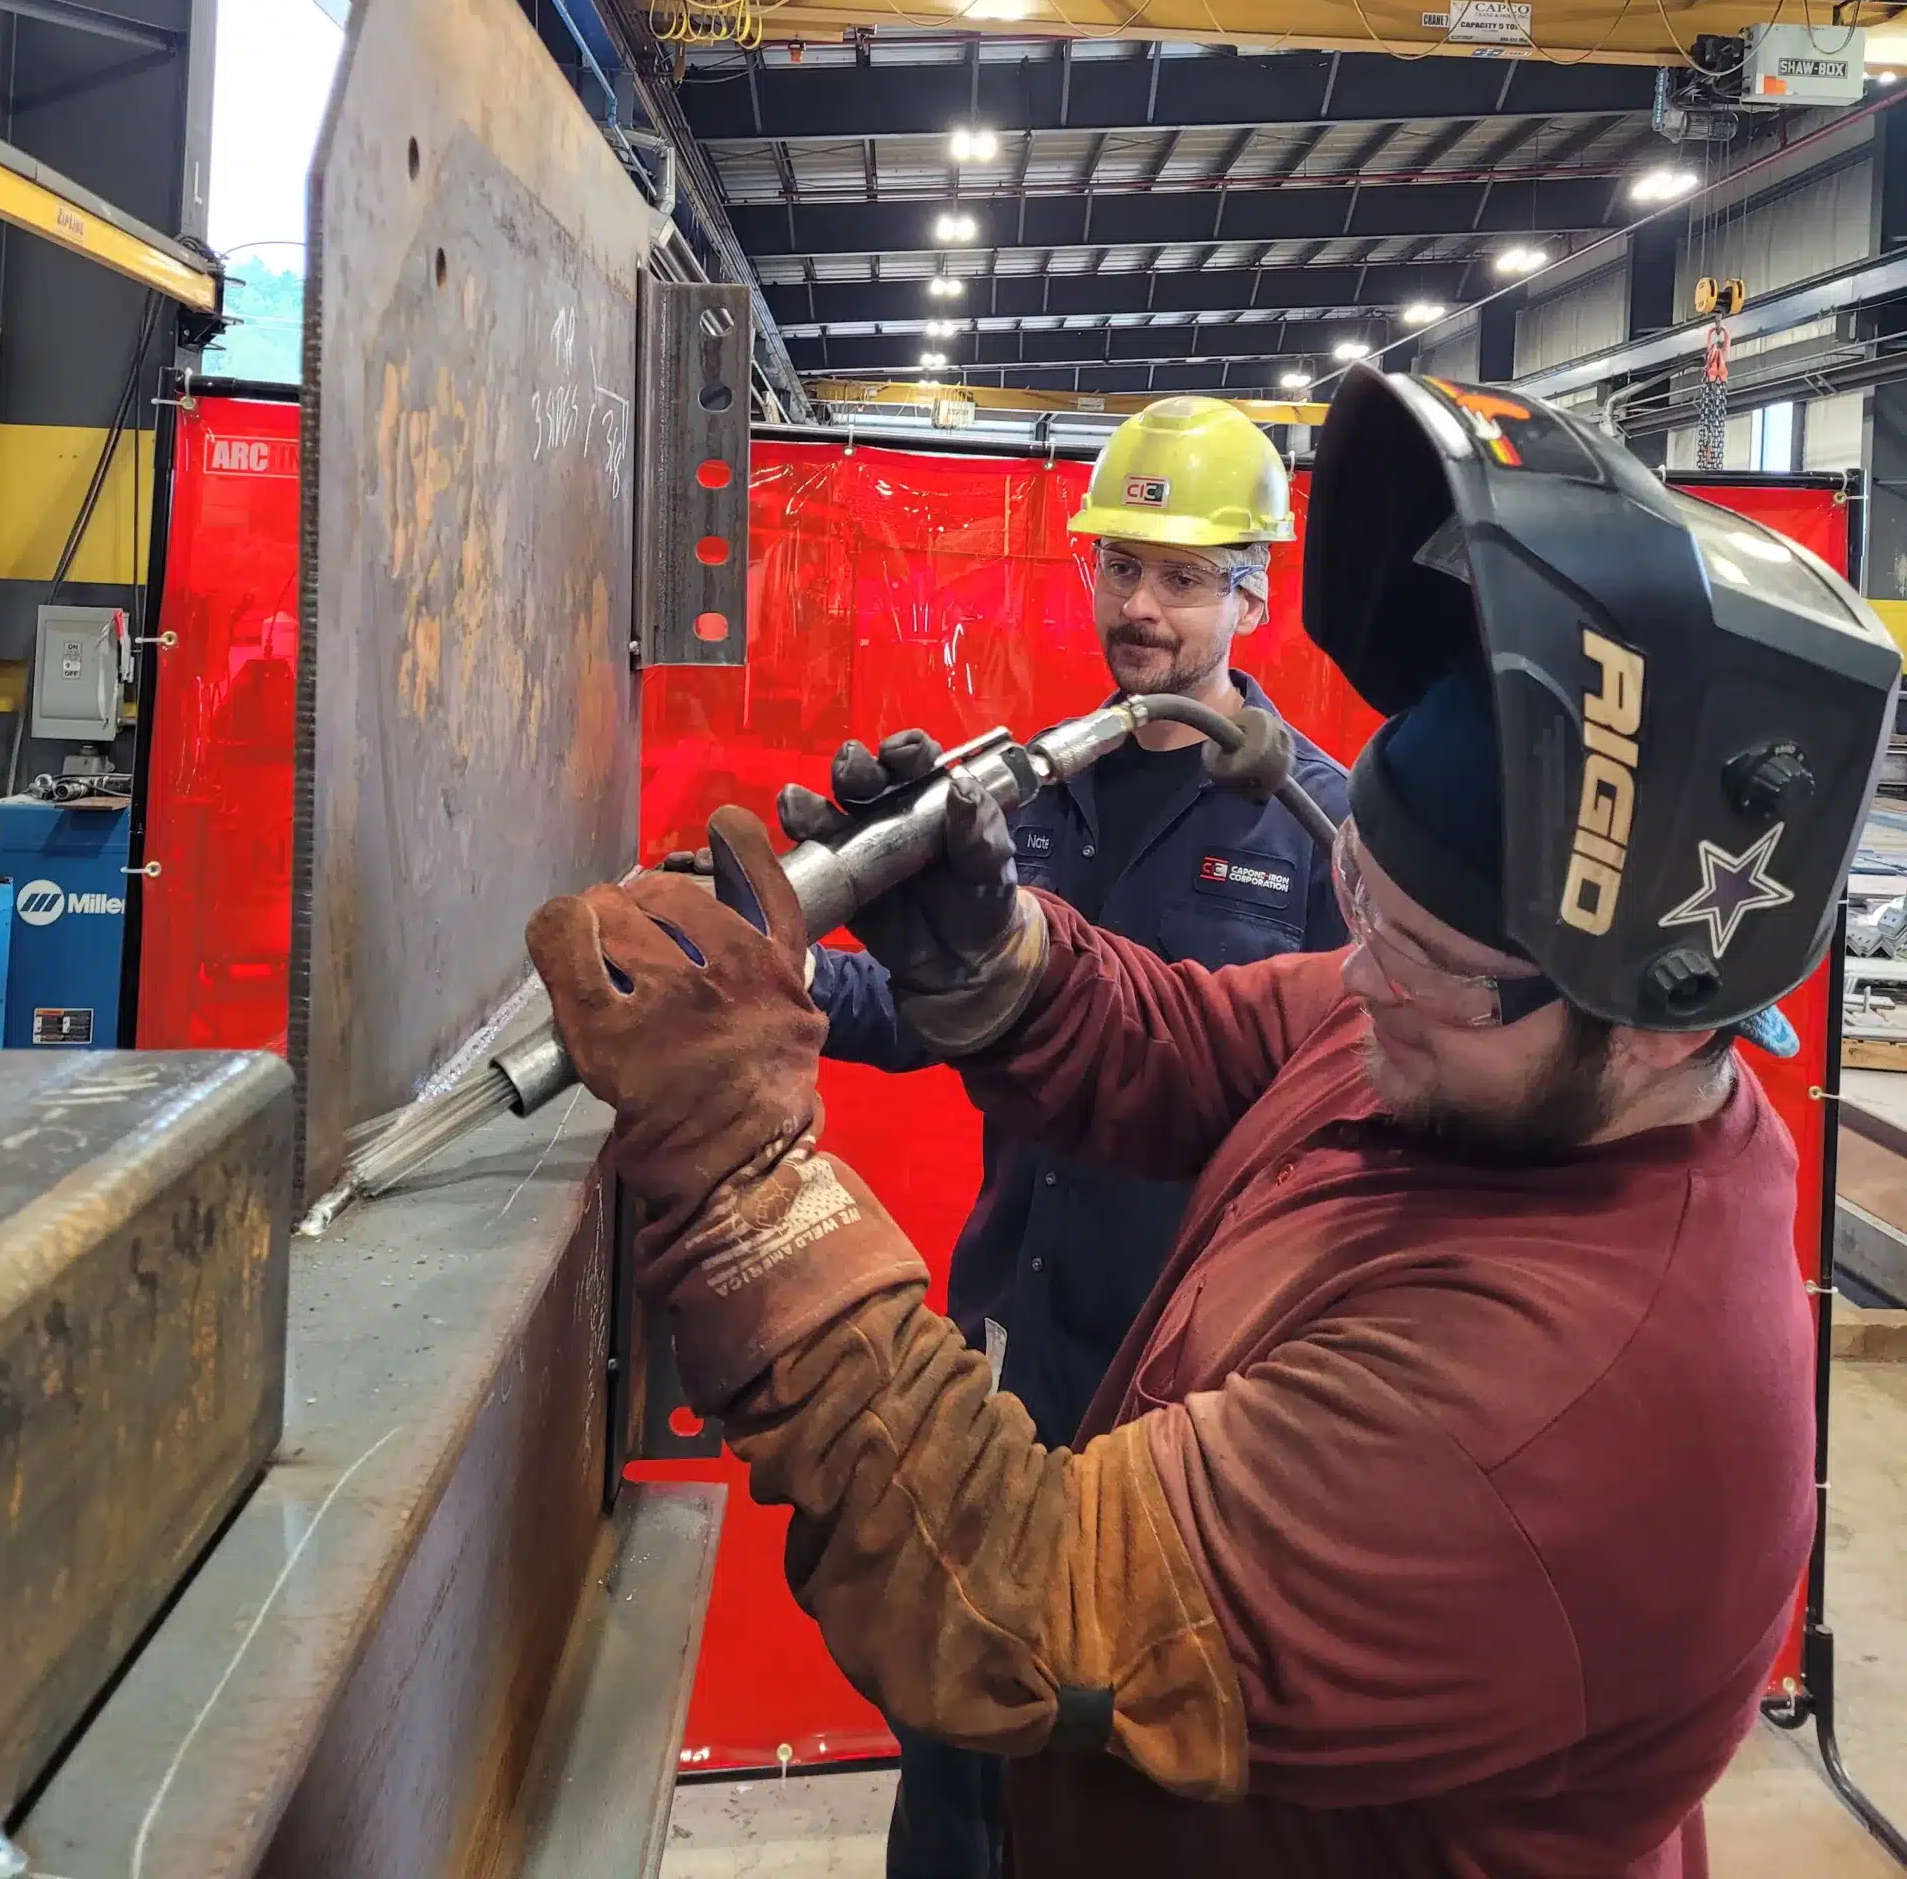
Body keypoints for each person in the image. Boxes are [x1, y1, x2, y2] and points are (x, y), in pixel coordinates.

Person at [530, 368, 1900, 1878]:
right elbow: (1187, 1036)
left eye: (1421, 959)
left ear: (1660, 1016)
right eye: (1361, 898)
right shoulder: (1467, 1054)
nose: (1354, 965)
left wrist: (745, 1177)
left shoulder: (1560, 1409)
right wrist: (988, 949)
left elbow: (1018, 1606)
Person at [801, 395, 1347, 1876]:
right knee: (961, 1716)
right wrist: (778, 973)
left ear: (1255, 590)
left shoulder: (1323, 833)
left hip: (1196, 1377)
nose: (1141, 608)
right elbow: (946, 1011)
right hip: (1014, 1336)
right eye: (1121, 567)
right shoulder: (1037, 791)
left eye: (1181, 576)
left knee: (1117, 1752)